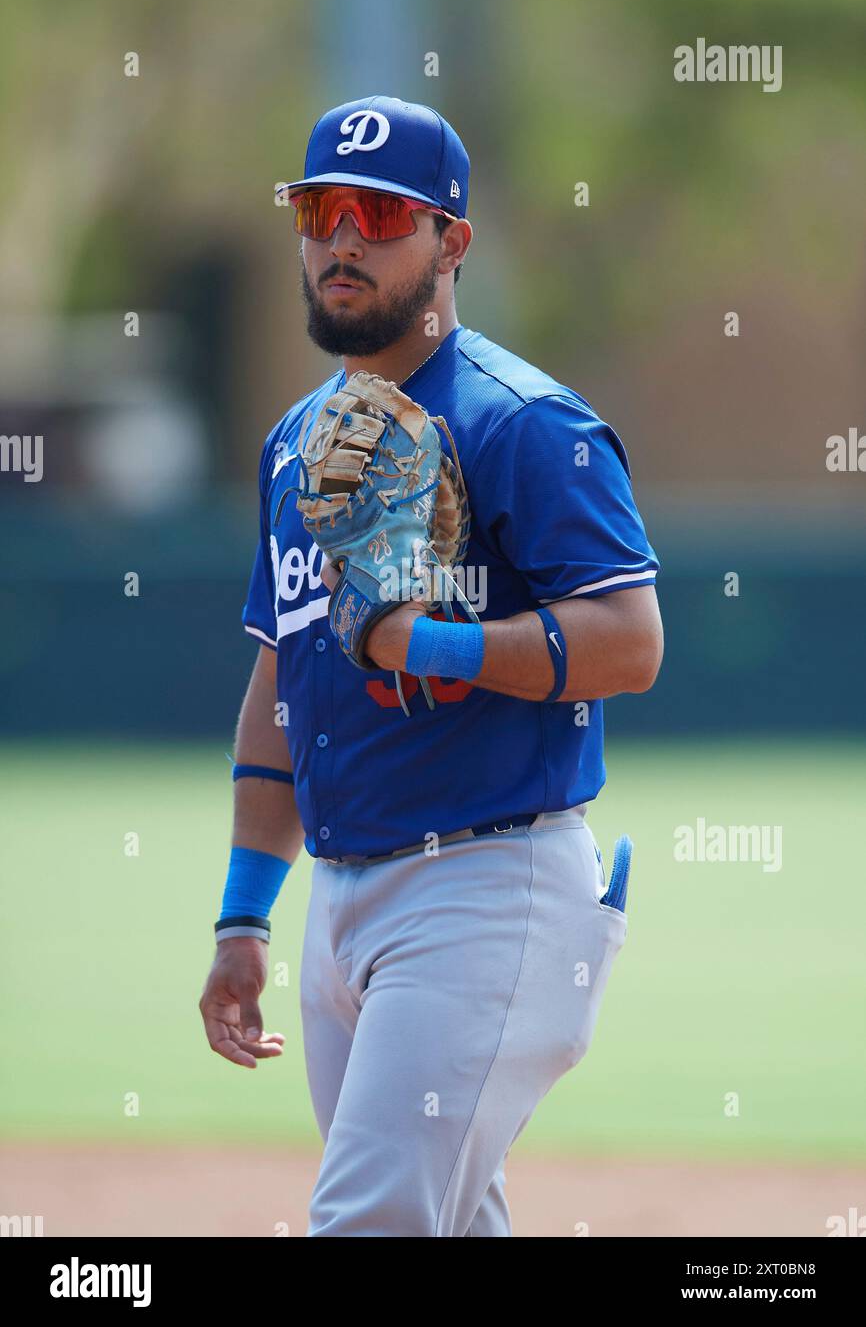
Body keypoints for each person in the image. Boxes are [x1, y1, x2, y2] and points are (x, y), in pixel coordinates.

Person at [199, 95, 663, 1237]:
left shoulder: (525, 424)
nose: (340, 238)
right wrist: (243, 916)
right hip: (342, 902)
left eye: (379, 214)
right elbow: (281, 681)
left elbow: (629, 640)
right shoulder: (295, 445)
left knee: (367, 1223)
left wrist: (425, 641)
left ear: (451, 242)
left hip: (487, 890)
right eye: (319, 209)